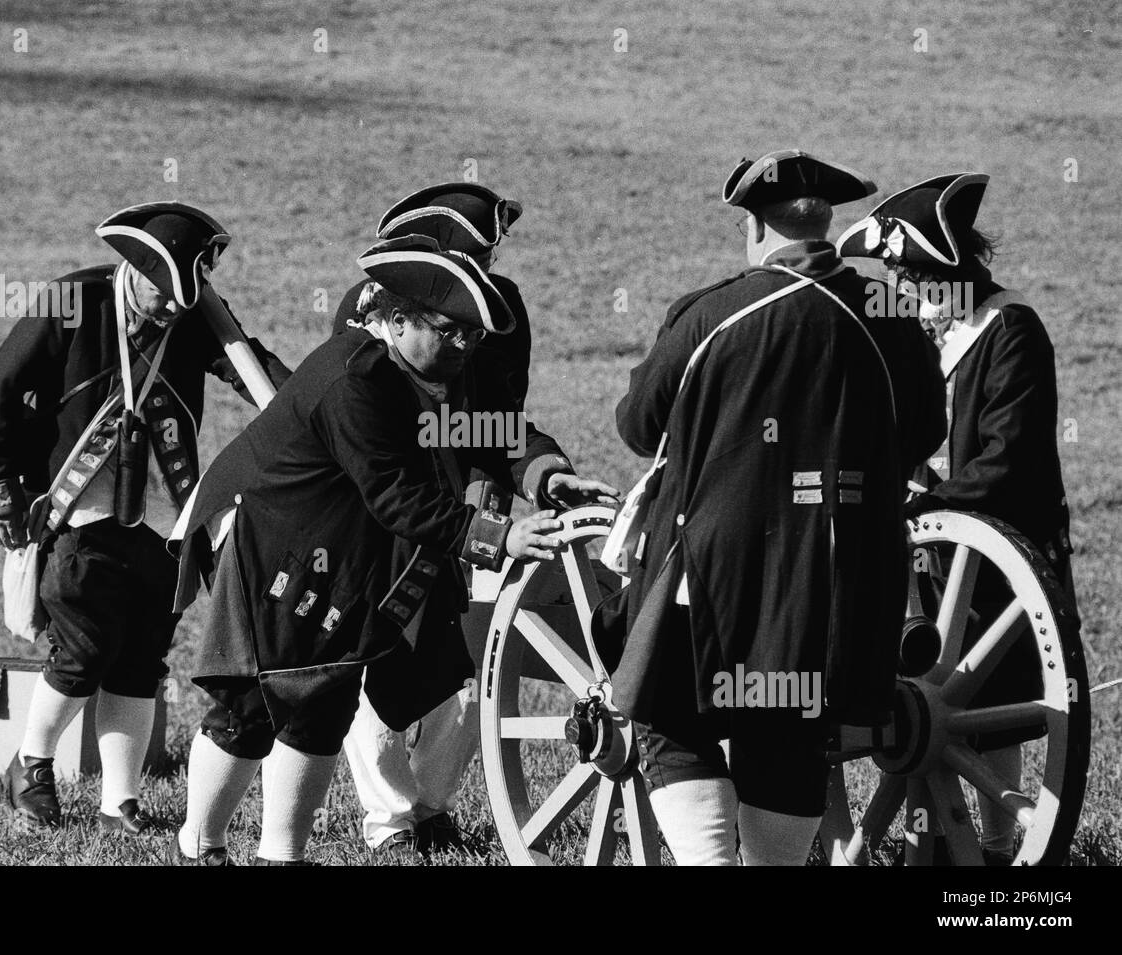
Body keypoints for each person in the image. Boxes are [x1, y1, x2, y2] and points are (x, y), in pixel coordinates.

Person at [171, 235, 566, 866]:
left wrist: (545, 474)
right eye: (450, 330)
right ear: (399, 318)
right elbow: (398, 498)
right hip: (271, 543)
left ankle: (282, 856)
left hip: (342, 553)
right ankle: (201, 844)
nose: (463, 346)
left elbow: (488, 431)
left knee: (322, 705)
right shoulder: (354, 380)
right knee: (247, 710)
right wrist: (500, 536)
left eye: (471, 334)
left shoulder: (429, 374)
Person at [608, 150, 946, 865]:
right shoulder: (893, 320)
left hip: (713, 573)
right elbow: (926, 434)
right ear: (827, 222)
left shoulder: (709, 314)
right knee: (791, 725)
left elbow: (638, 425)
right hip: (840, 580)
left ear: (755, 229)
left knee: (671, 718)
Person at [0, 201, 289, 832]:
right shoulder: (74, 300)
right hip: (78, 511)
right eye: (164, 293)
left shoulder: (196, 310)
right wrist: (0, 494)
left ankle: (120, 802)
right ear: (136, 269)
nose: (175, 307)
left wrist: (308, 404)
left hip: (165, 519)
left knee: (142, 660)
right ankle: (30, 766)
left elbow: (247, 365)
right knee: (85, 649)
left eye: (185, 297)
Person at [331, 183, 617, 857]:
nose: (485, 276)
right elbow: (369, 442)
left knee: (470, 664)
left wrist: (545, 473)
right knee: (372, 669)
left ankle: (431, 806)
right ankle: (389, 821)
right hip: (380, 516)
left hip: (470, 512)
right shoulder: (365, 311)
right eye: (474, 259)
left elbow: (501, 423)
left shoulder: (502, 310)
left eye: (488, 259)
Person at [838, 173, 1078, 864]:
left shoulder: (1011, 330)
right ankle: (935, 837)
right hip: (929, 552)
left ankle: (999, 847)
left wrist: (931, 503)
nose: (902, 290)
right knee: (927, 696)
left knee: (989, 701)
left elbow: (1011, 458)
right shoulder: (928, 334)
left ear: (942, 271)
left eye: (907, 276)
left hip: (997, 551)